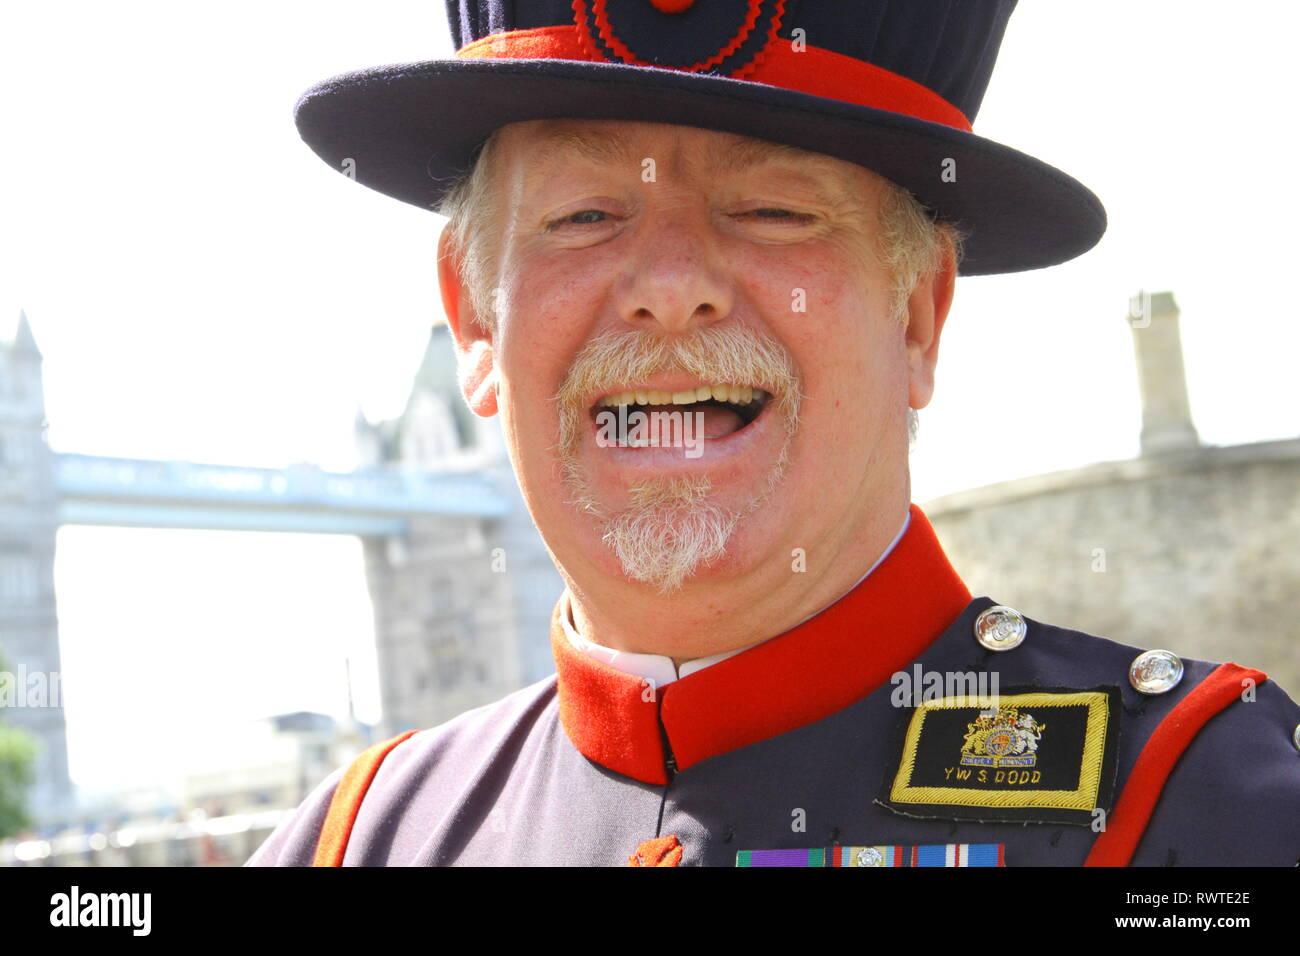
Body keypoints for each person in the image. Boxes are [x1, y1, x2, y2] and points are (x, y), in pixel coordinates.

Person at [247, 0, 1300, 867]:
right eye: (582, 215)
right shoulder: (354, 842)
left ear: (916, 314)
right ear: (476, 318)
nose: (667, 289)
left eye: (772, 211)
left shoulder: (1204, 815)